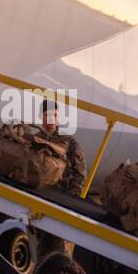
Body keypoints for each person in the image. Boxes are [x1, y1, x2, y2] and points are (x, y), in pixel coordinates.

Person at [34, 98, 87, 259]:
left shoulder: (69, 142)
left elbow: (80, 173)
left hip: (60, 200)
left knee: (59, 248)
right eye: (47, 115)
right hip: (39, 199)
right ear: (41, 117)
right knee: (42, 246)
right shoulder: (33, 140)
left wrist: (70, 199)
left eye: (54, 115)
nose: (51, 119)